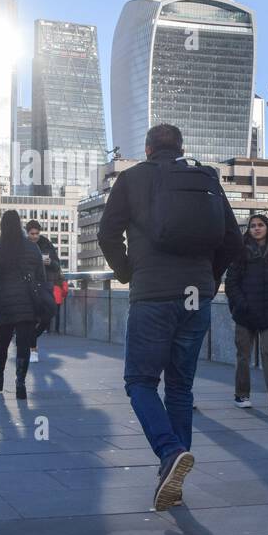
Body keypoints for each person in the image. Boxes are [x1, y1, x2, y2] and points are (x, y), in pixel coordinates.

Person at [98, 124, 243, 510]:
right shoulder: (204, 178)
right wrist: (208, 279)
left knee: (140, 382)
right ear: (181, 148)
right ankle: (174, 478)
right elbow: (233, 239)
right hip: (197, 297)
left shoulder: (130, 179)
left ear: (147, 149)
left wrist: (127, 271)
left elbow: (107, 235)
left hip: (152, 295)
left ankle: (169, 453)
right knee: (180, 387)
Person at [225, 213, 268, 412]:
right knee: (243, 356)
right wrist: (240, 304)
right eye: (253, 225)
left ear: (267, 228)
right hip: (245, 313)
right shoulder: (240, 251)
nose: (256, 228)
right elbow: (231, 283)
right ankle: (241, 395)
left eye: (260, 225)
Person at [0, 210, 46, 399]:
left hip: (4, 302)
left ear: (2, 226)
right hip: (26, 303)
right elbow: (41, 277)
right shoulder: (31, 248)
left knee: (2, 342)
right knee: (23, 344)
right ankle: (20, 382)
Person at [25, 220, 62, 362]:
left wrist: (49, 262)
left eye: (37, 234)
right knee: (31, 317)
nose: (34, 236)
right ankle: (33, 350)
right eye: (32, 234)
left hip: (45, 284)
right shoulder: (22, 245)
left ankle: (32, 336)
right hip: (27, 285)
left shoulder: (46, 243)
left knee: (51, 311)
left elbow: (57, 265)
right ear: (27, 233)